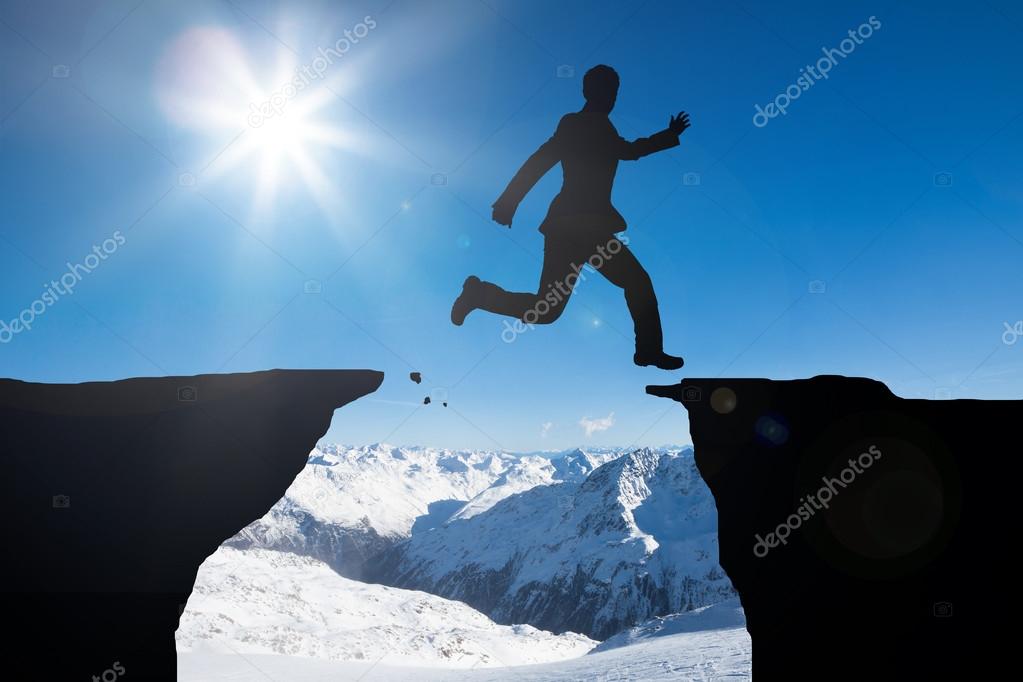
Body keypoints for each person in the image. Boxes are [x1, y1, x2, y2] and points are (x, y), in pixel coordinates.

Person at [451, 64, 690, 370]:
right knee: (635, 284)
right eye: (607, 92)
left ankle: (479, 295)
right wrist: (508, 201)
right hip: (576, 228)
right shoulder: (575, 124)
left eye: (615, 92)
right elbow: (541, 160)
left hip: (581, 230)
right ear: (590, 92)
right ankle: (648, 351)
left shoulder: (603, 128)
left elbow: (629, 150)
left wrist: (669, 135)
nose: (612, 98)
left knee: (549, 309)